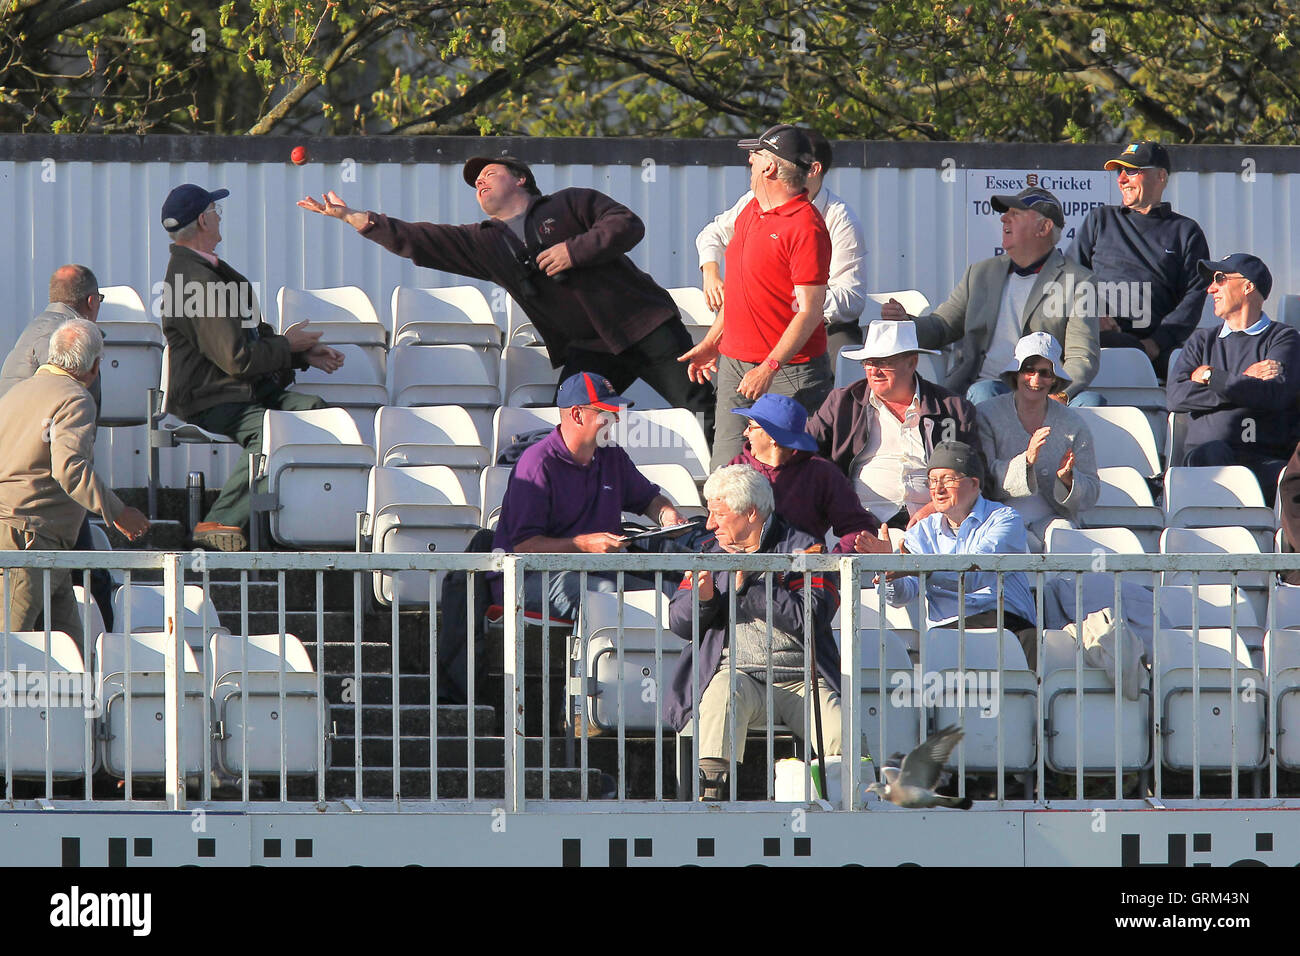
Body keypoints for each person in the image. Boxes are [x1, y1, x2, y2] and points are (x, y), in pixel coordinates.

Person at [296, 157, 715, 441]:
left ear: (520, 178)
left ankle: (744, 493)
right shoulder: (483, 242)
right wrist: (355, 218)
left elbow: (627, 224)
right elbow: (420, 240)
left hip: (647, 327)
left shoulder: (571, 202)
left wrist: (574, 250)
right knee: (566, 430)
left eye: (489, 173)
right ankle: (575, 521)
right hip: (591, 352)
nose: (479, 182)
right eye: (475, 183)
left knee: (702, 411)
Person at [438, 372, 687, 704]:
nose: (615, 418)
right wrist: (584, 545)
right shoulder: (537, 462)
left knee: (669, 590)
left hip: (591, 571)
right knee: (604, 595)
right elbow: (525, 547)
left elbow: (648, 499)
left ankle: (653, 696)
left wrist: (667, 514)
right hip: (530, 577)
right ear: (577, 414)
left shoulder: (610, 455)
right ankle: (598, 702)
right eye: (606, 412)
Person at [159, 183, 344, 552]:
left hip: (242, 392)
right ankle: (222, 520)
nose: (219, 215)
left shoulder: (205, 273)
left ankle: (294, 525)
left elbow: (248, 345)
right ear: (202, 220)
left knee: (318, 416)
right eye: (215, 210)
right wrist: (288, 346)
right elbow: (237, 359)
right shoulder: (195, 281)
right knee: (274, 432)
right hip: (214, 398)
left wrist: (297, 356)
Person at [666, 464, 842, 800]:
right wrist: (703, 603)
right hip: (739, 675)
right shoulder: (708, 554)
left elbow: (812, 617)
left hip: (803, 678)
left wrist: (749, 588)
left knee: (842, 734)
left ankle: (852, 806)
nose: (709, 524)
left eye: (718, 514)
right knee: (721, 693)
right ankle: (711, 801)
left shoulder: (807, 550)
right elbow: (678, 623)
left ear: (750, 513)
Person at [679, 124, 833, 470]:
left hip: (789, 371)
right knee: (727, 473)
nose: (749, 159)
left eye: (757, 154)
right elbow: (742, 290)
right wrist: (713, 341)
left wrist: (769, 367)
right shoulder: (751, 210)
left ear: (770, 168)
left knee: (785, 477)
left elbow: (810, 312)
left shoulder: (806, 227)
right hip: (737, 365)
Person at [0, 319, 149, 648]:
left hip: (36, 544)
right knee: (13, 650)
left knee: (67, 653)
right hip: (31, 541)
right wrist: (119, 513)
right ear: (95, 366)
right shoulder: (75, 399)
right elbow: (69, 468)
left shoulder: (14, 395)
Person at [881, 186, 1100, 406]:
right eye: (1006, 214)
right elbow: (942, 327)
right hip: (990, 387)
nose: (1004, 219)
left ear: (1043, 227)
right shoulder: (979, 274)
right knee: (983, 391)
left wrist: (1059, 396)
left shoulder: (1079, 281)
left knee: (1092, 402)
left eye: (1015, 214)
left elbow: (1081, 356)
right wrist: (906, 323)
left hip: (1045, 389)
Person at [0, 264, 115, 627]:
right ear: (92, 301)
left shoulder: (28, 354)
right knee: (12, 641)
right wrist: (117, 510)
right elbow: (70, 464)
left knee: (63, 646)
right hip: (34, 525)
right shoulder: (75, 385)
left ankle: (85, 677)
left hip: (28, 519)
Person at [696, 128, 866, 357]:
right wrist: (710, 272)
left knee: (836, 357)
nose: (759, 164)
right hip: (762, 322)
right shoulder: (754, 201)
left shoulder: (840, 218)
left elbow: (851, 301)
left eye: (787, 157)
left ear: (814, 169)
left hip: (825, 326)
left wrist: (795, 302)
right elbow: (712, 234)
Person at [806, 319, 980, 530]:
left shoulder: (953, 410)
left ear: (912, 362)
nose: (874, 371)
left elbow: (976, 475)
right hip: (859, 521)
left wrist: (935, 508)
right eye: (869, 362)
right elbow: (803, 450)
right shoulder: (843, 403)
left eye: (884, 362)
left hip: (936, 523)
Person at [879, 441, 1040, 668]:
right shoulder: (922, 532)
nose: (938, 489)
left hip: (1006, 624)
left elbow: (977, 573)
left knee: (1027, 654)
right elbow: (900, 596)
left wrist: (923, 568)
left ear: (974, 483)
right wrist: (886, 570)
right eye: (933, 481)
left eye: (948, 479)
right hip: (949, 632)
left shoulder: (1004, 519)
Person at [1068, 141, 1210, 379]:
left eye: (1132, 171)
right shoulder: (1100, 219)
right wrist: (1094, 314)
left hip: (1158, 349)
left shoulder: (1186, 231)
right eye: (1119, 172)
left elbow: (1194, 297)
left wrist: (1155, 343)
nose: (1122, 179)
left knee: (1201, 371)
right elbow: (1070, 275)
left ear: (1161, 176)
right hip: (1096, 338)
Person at [1166, 253, 1300, 505]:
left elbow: (1274, 395)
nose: (1210, 288)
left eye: (1220, 278)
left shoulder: (1284, 338)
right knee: (1213, 455)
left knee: (1289, 482)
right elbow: (1176, 397)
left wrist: (1209, 376)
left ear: (1248, 286)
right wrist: (1244, 380)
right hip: (1208, 458)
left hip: (1264, 460)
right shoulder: (1201, 341)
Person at [976, 332, 1100, 552]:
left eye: (1045, 373)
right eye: (1029, 370)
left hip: (1054, 518)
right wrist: (1026, 461)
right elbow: (983, 477)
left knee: (1065, 536)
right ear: (1016, 373)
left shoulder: (1074, 423)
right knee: (1011, 541)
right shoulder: (986, 414)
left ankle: (1064, 588)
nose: (1035, 380)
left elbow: (1091, 491)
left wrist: (1069, 480)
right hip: (999, 516)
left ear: (1054, 379)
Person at [727, 393, 892, 554]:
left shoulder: (822, 474)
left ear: (772, 436)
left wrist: (829, 564)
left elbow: (858, 527)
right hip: (744, 572)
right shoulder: (736, 467)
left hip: (802, 575)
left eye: (750, 426)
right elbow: (716, 523)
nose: (745, 433)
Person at [0, 265, 103, 407]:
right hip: (39, 427)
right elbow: (68, 400)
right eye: (100, 299)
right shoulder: (67, 335)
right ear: (92, 301)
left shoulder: (39, 327)